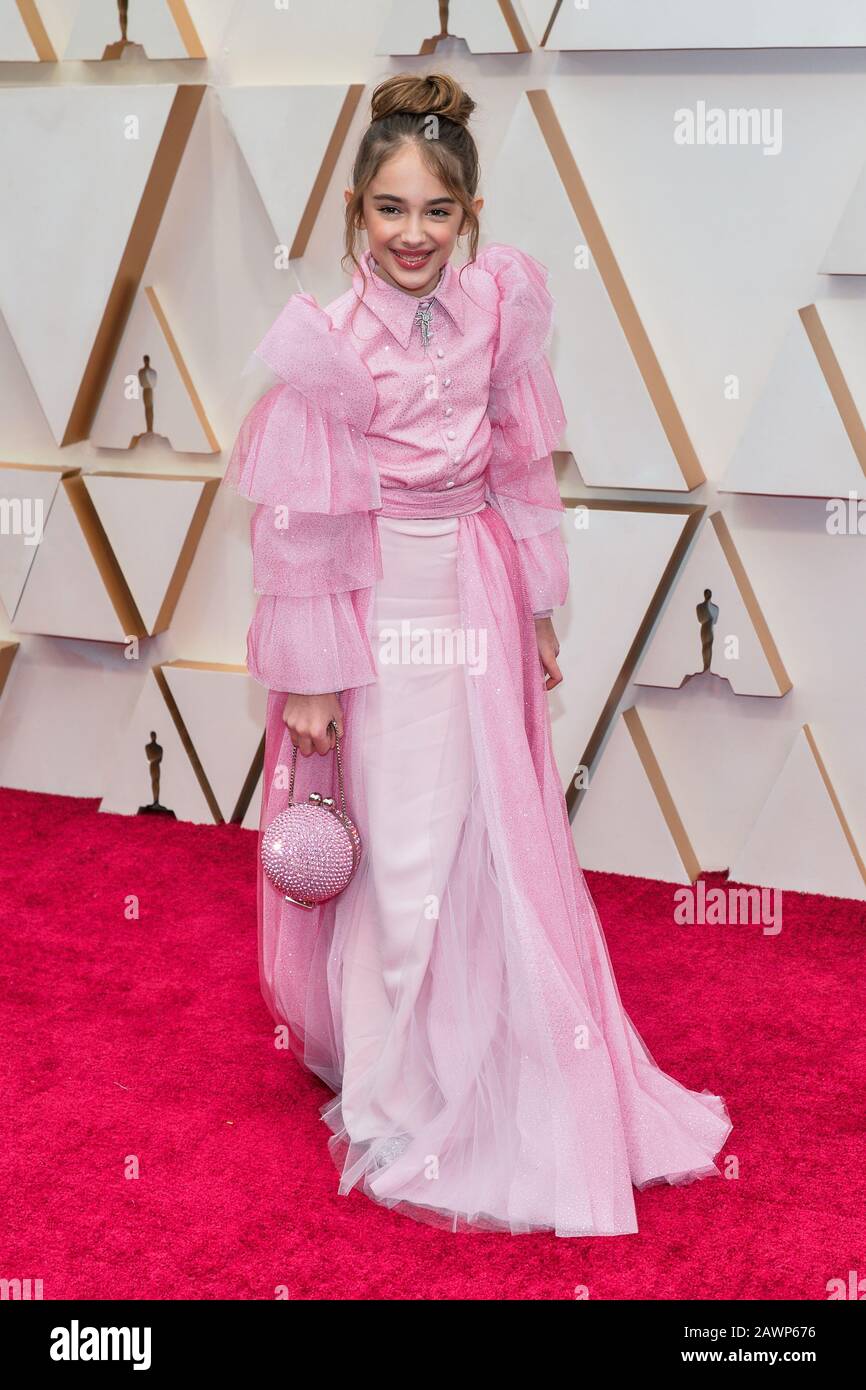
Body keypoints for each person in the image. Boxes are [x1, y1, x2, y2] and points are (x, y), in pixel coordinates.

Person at [222, 71, 732, 1237]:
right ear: (355, 211)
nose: (413, 234)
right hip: (376, 607)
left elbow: (517, 466)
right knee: (398, 852)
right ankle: (395, 1096)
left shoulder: (499, 309)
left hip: (480, 592)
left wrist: (538, 605)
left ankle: (479, 1059)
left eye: (436, 212)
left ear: (469, 214)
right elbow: (298, 523)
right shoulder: (329, 347)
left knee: (485, 836)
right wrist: (305, 671)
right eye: (390, 210)